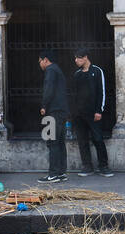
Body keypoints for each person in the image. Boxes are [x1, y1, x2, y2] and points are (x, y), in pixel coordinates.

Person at [71, 48, 113, 177]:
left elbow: (102, 92)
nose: (76, 61)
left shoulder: (97, 71)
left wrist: (99, 111)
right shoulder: (77, 74)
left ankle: (104, 166)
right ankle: (87, 166)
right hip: (79, 114)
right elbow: (75, 95)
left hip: (93, 113)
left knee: (98, 139)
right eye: (75, 58)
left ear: (85, 57)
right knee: (82, 140)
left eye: (78, 58)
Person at [37, 50, 69, 182]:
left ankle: (53, 174)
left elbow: (48, 89)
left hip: (52, 112)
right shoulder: (57, 70)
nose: (39, 64)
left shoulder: (50, 71)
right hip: (61, 112)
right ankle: (61, 172)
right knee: (60, 142)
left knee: (51, 142)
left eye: (39, 61)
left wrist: (44, 105)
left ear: (45, 60)